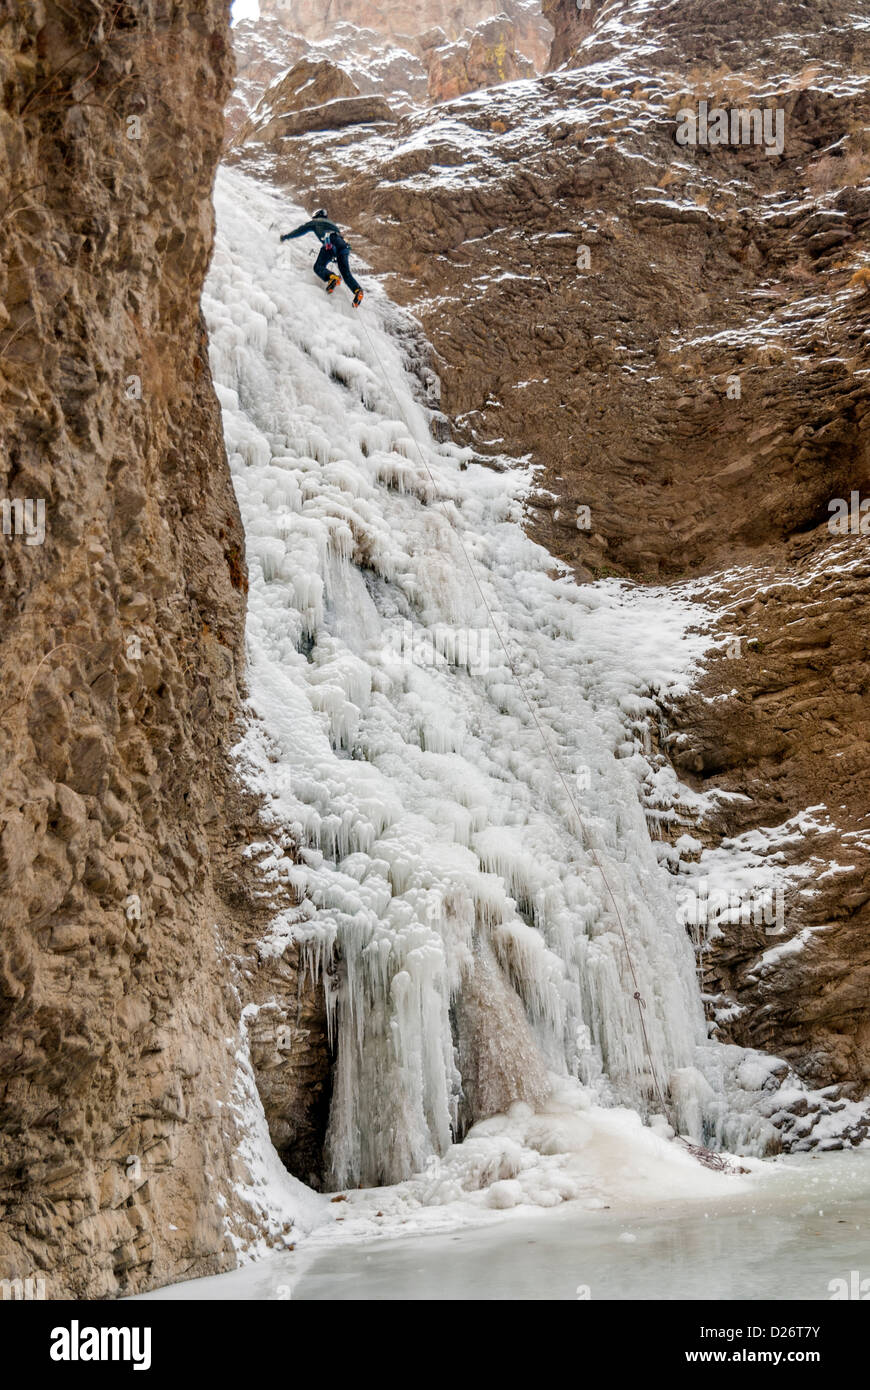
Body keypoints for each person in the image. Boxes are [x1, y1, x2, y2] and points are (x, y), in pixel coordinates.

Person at [279, 209, 364, 308]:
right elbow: (339, 239)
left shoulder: (315, 222)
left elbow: (300, 231)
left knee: (318, 266)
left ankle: (332, 278)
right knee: (346, 273)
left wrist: (286, 237)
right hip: (343, 246)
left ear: (316, 216)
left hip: (329, 242)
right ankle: (357, 291)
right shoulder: (333, 226)